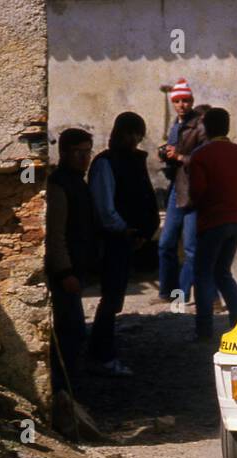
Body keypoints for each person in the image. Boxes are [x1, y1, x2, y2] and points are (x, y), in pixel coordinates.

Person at [89, 112, 159, 376]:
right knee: (111, 297)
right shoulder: (105, 163)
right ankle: (102, 354)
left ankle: (101, 349)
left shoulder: (133, 162)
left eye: (137, 134)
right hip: (114, 240)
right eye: (128, 133)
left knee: (115, 298)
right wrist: (124, 231)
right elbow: (105, 207)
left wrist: (143, 232)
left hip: (131, 238)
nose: (132, 139)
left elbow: (143, 198)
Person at [188, 108, 237, 341]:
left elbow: (197, 193)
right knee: (223, 272)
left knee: (203, 274)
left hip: (211, 222)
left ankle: (204, 331)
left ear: (206, 128)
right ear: (227, 127)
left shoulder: (201, 156)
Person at [45, 128, 99, 393]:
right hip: (64, 274)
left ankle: (69, 389)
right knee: (71, 332)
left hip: (76, 269)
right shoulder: (59, 185)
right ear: (63, 153)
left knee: (74, 332)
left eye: (87, 152)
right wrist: (65, 271)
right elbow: (56, 234)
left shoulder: (78, 182)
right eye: (78, 153)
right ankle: (62, 391)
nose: (83, 158)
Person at [156, 79, 203, 303]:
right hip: (177, 188)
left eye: (185, 100)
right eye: (177, 101)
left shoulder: (200, 126)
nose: (182, 105)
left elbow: (204, 160)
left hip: (194, 192)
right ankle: (167, 292)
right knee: (166, 243)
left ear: (191, 101)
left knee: (192, 248)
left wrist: (180, 157)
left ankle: (182, 296)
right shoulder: (177, 124)